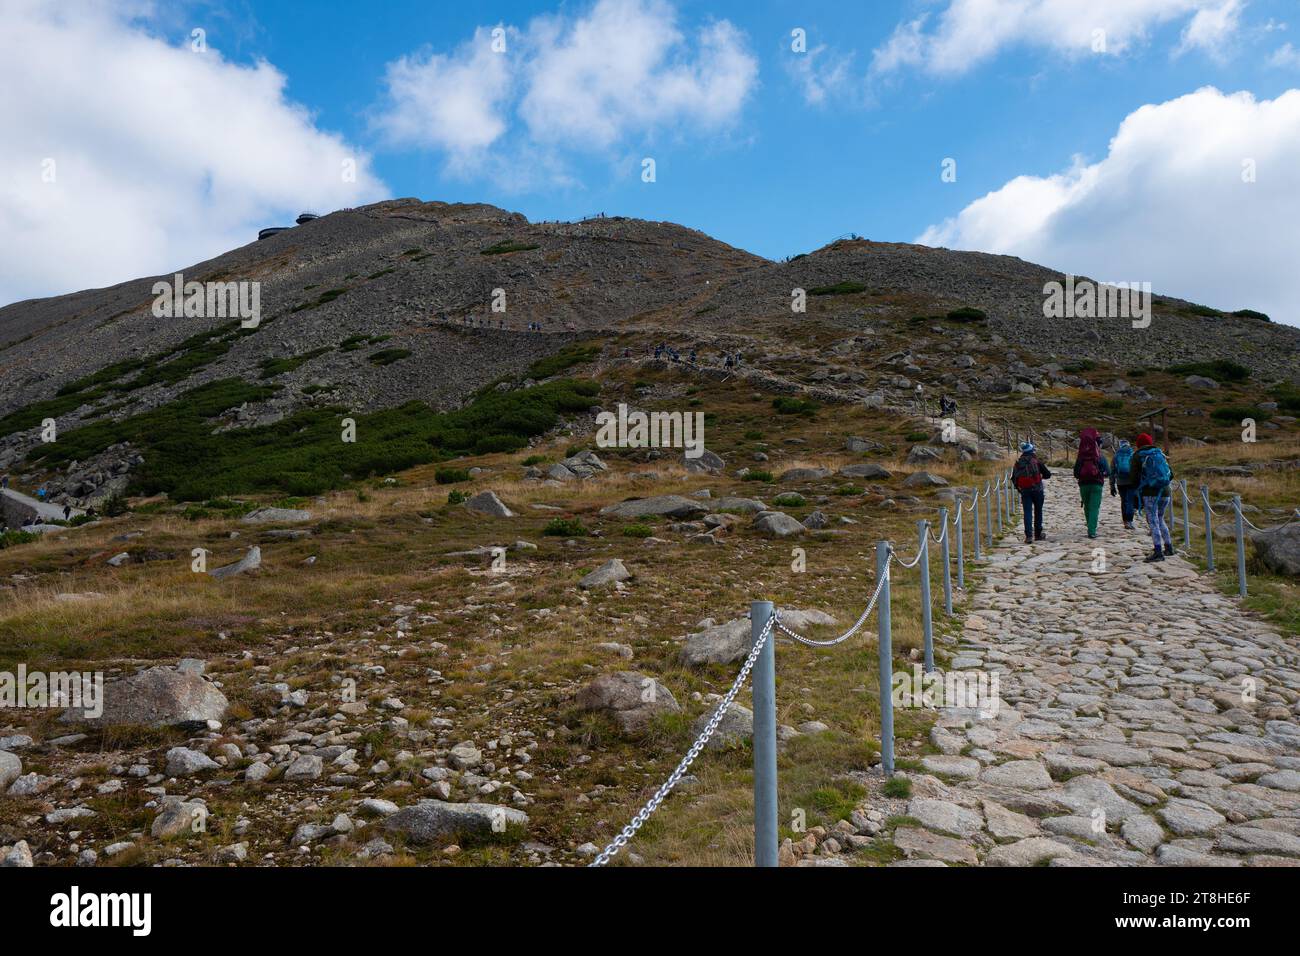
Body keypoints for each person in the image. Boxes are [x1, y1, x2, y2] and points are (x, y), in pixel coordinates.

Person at [1134, 433, 1175, 562]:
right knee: (1160, 518)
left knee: (1153, 521)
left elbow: (1133, 477)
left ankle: (1158, 551)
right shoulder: (1159, 453)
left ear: (1138, 444)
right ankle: (1169, 547)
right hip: (1166, 491)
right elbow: (1171, 474)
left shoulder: (1138, 456)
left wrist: (1139, 490)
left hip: (1150, 493)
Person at [1072, 427, 1110, 539]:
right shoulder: (1100, 456)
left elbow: (1076, 473)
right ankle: (1092, 530)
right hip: (1097, 484)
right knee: (1094, 507)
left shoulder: (1081, 457)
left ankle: (1090, 526)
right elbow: (1108, 472)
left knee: (1087, 506)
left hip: (1083, 484)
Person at [1012, 441, 1052, 544]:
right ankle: (1038, 534)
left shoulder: (1018, 462)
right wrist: (1040, 477)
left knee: (1027, 512)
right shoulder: (1036, 461)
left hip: (1025, 490)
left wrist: (1019, 488)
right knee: (1038, 511)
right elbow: (1048, 474)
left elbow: (1013, 478)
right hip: (1037, 490)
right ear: (1032, 450)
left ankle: (1029, 536)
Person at [1109, 439, 1140, 529]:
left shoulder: (1116, 456)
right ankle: (1130, 520)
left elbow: (1112, 472)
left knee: (1124, 501)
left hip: (1120, 482)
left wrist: (1112, 486)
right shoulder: (1133, 454)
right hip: (1131, 481)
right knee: (1130, 500)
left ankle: (1125, 521)